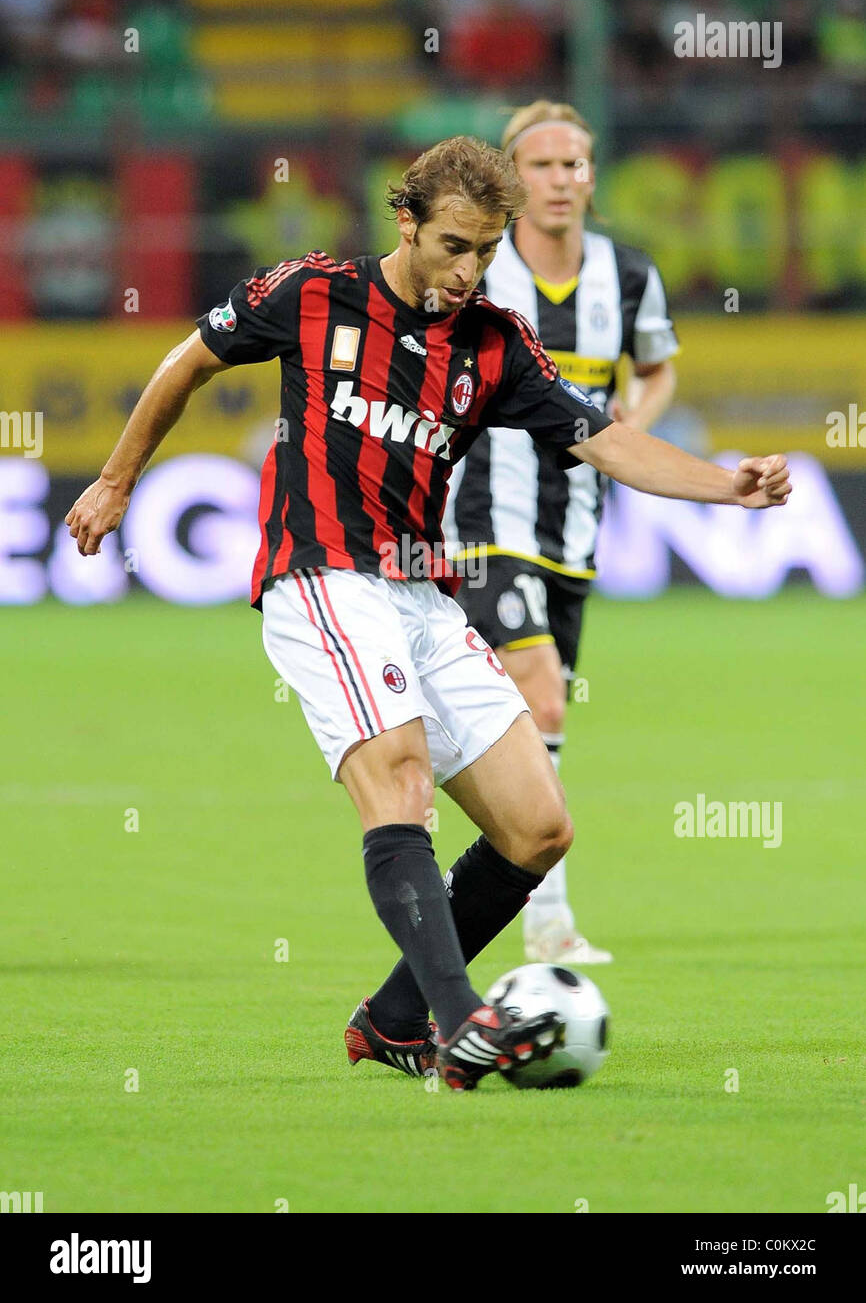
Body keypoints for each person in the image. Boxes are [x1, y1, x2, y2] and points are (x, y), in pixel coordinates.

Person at [65, 136, 791, 1091]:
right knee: (399, 777)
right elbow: (185, 363)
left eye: (488, 250)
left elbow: (609, 441)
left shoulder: (494, 341)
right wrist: (116, 482)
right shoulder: (309, 291)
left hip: (423, 592)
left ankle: (398, 1017)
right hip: (321, 576)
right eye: (455, 244)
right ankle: (462, 1024)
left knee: (538, 828)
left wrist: (728, 484)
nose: (469, 270)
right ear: (405, 221)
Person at [446, 101, 679, 967]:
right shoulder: (480, 268)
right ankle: (546, 922)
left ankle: (485, 863)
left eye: (573, 165)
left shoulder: (627, 276)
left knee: (539, 718)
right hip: (480, 518)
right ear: (512, 179)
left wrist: (627, 431)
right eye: (540, 166)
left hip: (575, 525)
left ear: (591, 176)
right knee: (541, 696)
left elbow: (655, 369)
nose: (559, 180)